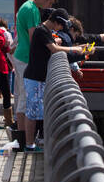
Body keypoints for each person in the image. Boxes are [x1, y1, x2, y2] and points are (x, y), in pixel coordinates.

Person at [22, 8, 82, 151]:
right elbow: (54, 48)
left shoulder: (45, 31)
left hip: (39, 77)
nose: (61, 29)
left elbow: (54, 45)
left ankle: (35, 142)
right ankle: (29, 145)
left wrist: (78, 49)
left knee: (38, 111)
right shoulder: (41, 31)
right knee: (32, 112)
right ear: (56, 22)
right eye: (61, 26)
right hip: (35, 77)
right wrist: (76, 50)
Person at [13, 0, 58, 140]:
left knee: (21, 96)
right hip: (26, 56)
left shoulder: (27, 6)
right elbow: (34, 37)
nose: (49, 7)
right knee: (26, 97)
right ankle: (25, 138)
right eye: (50, 3)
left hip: (21, 55)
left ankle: (21, 136)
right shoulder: (32, 9)